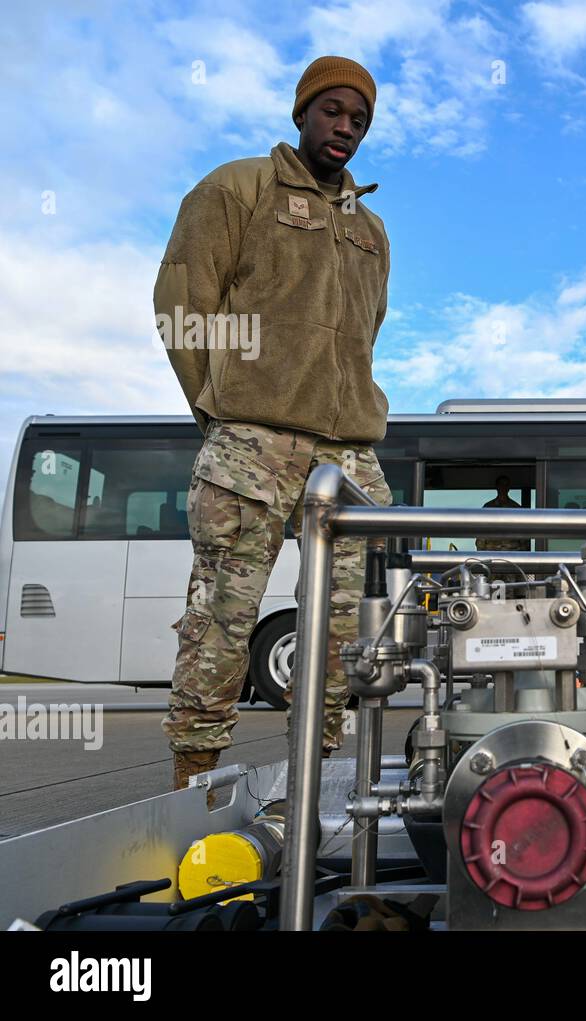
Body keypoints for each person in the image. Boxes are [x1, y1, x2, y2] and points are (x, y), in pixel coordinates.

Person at [157, 56, 394, 791]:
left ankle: (311, 787)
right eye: (333, 112)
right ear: (302, 112)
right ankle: (191, 783)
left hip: (347, 453)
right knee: (224, 619)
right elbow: (182, 304)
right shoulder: (237, 188)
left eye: (358, 119)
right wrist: (223, 410)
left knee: (342, 630)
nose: (345, 129)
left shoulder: (372, 230)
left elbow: (366, 331)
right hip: (251, 439)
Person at [476, 475, 530, 553]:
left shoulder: (517, 509)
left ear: (509, 488)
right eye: (501, 484)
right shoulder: (488, 508)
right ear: (497, 487)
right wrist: (481, 554)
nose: (503, 487)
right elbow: (481, 532)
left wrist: (523, 554)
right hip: (491, 553)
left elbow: (523, 535)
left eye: (506, 485)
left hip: (512, 554)